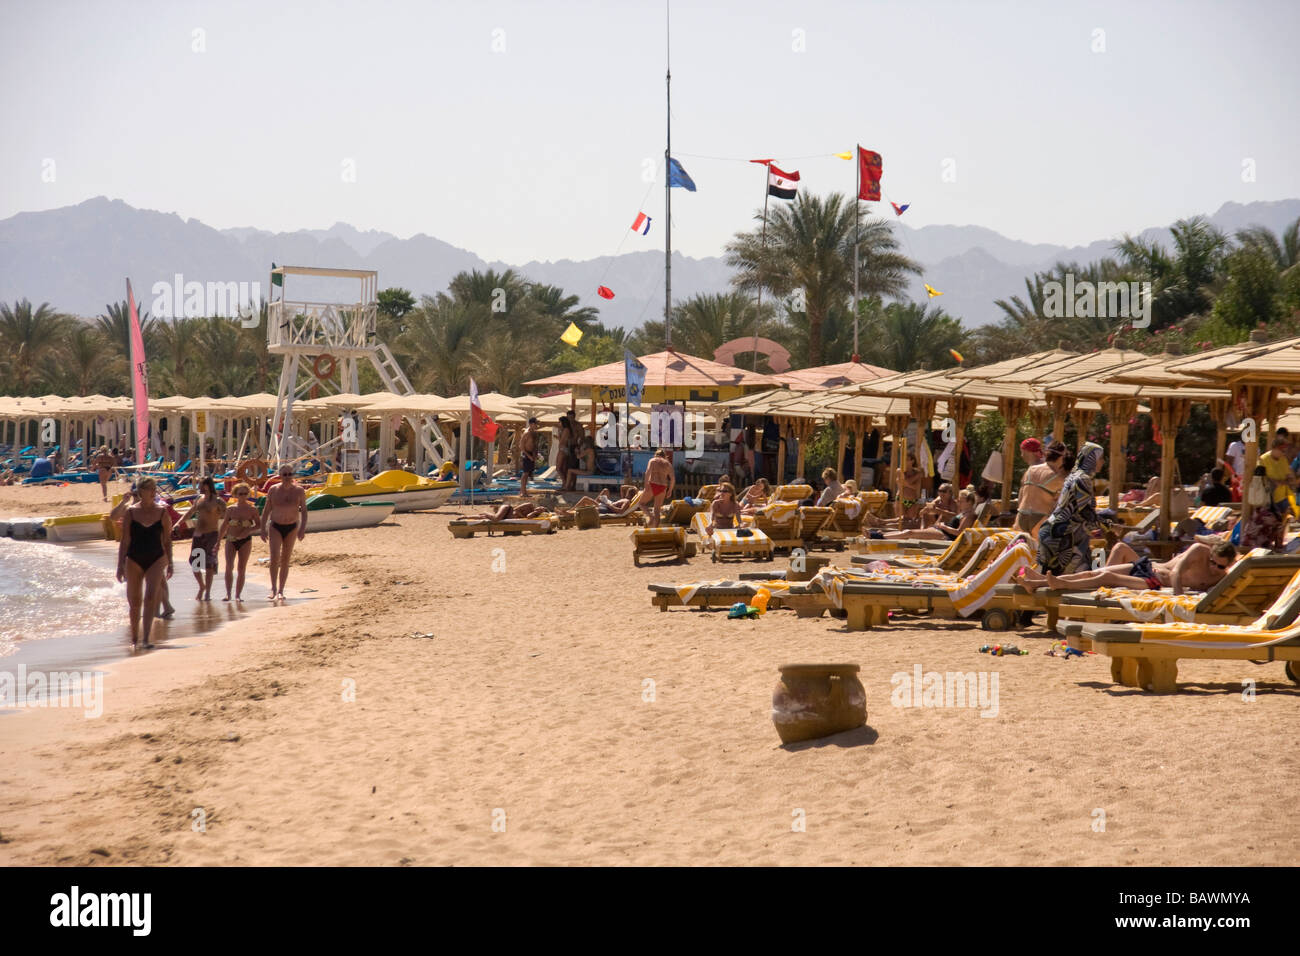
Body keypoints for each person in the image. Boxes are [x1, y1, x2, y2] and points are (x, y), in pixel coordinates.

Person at [1020, 541, 1237, 596]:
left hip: (1154, 584)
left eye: (1220, 566)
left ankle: (1062, 583)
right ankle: (1036, 582)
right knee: (1093, 572)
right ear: (1210, 554)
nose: (1215, 567)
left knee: (1106, 574)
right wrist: (1178, 598)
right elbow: (1176, 572)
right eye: (1213, 562)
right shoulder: (1200, 551)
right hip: (1150, 569)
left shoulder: (1221, 579)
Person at [116, 477, 173, 650]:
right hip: (134, 558)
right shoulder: (131, 512)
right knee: (135, 602)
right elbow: (125, 541)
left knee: (150, 598)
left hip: (156, 557)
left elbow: (168, 540)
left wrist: (170, 563)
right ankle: (134, 639)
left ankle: (146, 638)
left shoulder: (162, 512)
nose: (153, 492)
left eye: (154, 489)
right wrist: (120, 565)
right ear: (141, 491)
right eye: (149, 489)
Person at [1037, 442, 1107, 575]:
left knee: (1050, 582)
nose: (1103, 462)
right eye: (1100, 458)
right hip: (1062, 538)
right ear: (1092, 459)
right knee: (1065, 582)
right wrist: (1108, 526)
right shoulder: (1083, 479)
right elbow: (1086, 512)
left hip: (1054, 533)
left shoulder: (1073, 476)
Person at [261, 465, 307, 601]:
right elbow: (266, 510)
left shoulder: (299, 491)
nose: (287, 477)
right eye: (285, 474)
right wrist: (262, 529)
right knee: (274, 557)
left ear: (293, 475)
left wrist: (302, 528)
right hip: (275, 526)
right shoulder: (273, 490)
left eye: (290, 474)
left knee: (286, 559)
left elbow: (304, 510)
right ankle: (273, 589)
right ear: (280, 476)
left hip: (292, 527)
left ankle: (281, 590)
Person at [187, 477, 226, 602]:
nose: (198, 487)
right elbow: (190, 511)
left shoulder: (218, 501)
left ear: (207, 486)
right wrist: (178, 523)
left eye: (200, 484)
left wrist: (225, 533)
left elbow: (227, 517)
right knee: (194, 564)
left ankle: (208, 592)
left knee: (209, 564)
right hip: (198, 534)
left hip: (212, 534)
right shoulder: (199, 499)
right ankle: (201, 586)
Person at [218, 482, 259, 602]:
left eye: (245, 494)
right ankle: (228, 594)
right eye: (240, 494)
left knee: (242, 568)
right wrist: (218, 541)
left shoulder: (252, 509)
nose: (243, 496)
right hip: (231, 540)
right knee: (229, 566)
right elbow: (224, 526)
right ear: (235, 494)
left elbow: (259, 524)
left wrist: (248, 531)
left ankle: (237, 595)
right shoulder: (231, 509)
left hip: (245, 541)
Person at [1015, 438, 1065, 534]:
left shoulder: (1030, 470)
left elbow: (1021, 496)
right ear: (1061, 457)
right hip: (1040, 517)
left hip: (1021, 516)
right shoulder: (1057, 477)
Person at [1261, 434, 1296, 515]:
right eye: (1282, 451)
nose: (1284, 454)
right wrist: (1274, 481)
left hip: (1282, 498)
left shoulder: (1283, 460)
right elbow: (1260, 477)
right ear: (1275, 448)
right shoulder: (1263, 459)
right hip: (1268, 499)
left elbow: (1288, 475)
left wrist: (1288, 480)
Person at [643, 448, 675, 528]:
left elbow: (647, 472)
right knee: (657, 510)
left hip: (653, 484)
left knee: (641, 503)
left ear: (656, 454)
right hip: (663, 486)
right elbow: (673, 478)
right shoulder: (668, 464)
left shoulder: (653, 460)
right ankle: (655, 529)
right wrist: (670, 490)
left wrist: (646, 484)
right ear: (664, 456)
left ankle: (650, 516)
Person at [895, 455, 924, 528]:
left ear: (912, 461)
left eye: (907, 459)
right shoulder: (900, 470)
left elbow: (916, 487)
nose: (904, 461)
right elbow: (910, 484)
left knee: (909, 522)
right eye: (903, 459)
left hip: (913, 500)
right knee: (899, 521)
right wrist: (916, 477)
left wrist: (905, 483)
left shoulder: (917, 471)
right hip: (901, 499)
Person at [520, 418, 540, 497]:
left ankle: (524, 491)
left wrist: (535, 455)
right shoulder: (526, 433)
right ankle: (523, 492)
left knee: (528, 474)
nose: (537, 426)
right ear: (531, 424)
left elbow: (534, 445)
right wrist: (528, 456)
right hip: (527, 454)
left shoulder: (534, 433)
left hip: (532, 454)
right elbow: (521, 446)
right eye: (535, 424)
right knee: (525, 473)